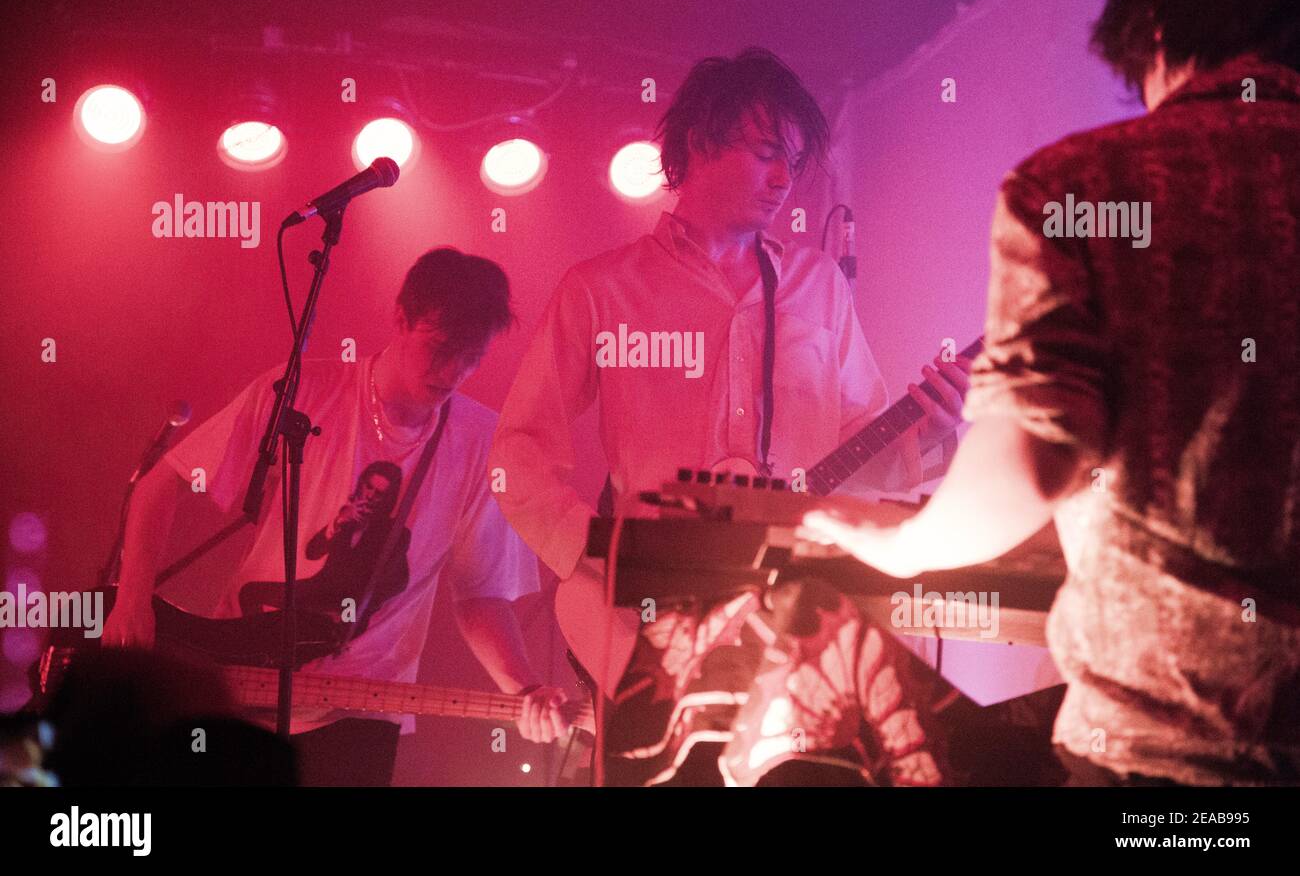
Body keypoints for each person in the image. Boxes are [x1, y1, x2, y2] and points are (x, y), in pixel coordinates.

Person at [802, 0, 1300, 786]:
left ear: (1157, 33)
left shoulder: (1079, 186)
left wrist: (907, 547)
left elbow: (1031, 463)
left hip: (1162, 757)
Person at [491, 48, 969, 785]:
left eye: (795, 161)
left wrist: (929, 429)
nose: (784, 180)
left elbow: (858, 452)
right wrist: (592, 553)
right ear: (697, 144)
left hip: (793, 621)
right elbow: (519, 449)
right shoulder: (601, 289)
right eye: (766, 153)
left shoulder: (818, 288)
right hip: (655, 619)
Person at [104, 247, 570, 785]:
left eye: (472, 357)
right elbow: (165, 480)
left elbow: (481, 595)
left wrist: (526, 690)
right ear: (400, 318)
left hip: (362, 708)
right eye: (440, 348)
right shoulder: (302, 392)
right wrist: (132, 598)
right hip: (240, 675)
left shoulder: (483, 444)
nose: (454, 371)